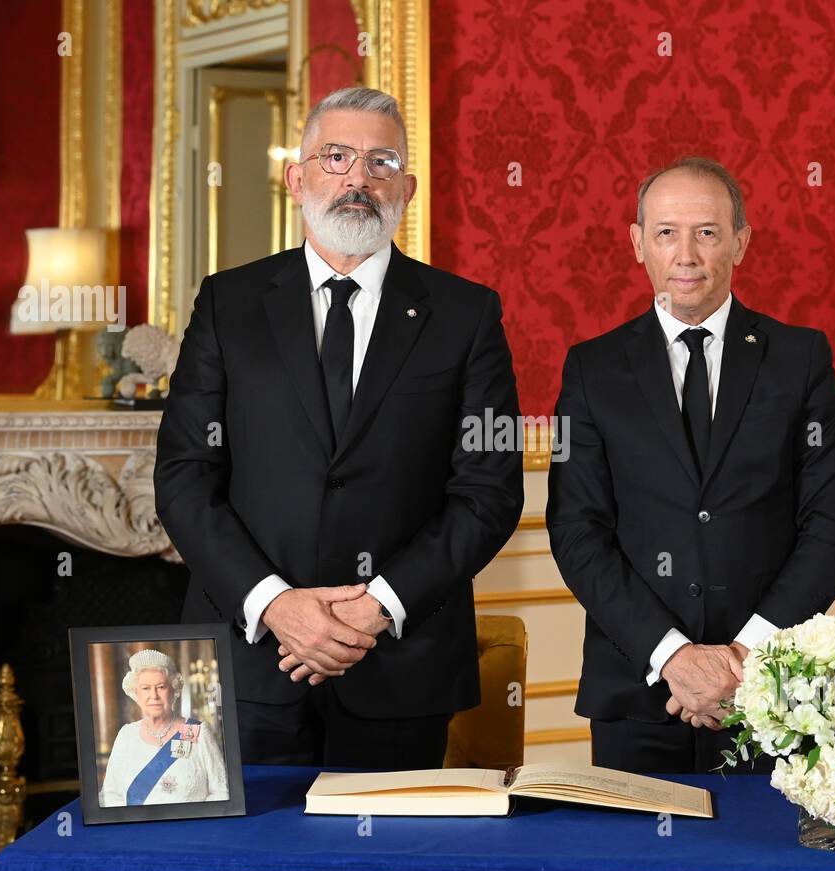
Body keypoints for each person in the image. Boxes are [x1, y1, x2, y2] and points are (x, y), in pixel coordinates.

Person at [154, 86, 523, 769]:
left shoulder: (466, 315)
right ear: (297, 178)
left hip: (400, 668)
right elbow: (184, 478)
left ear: (405, 188)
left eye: (381, 162)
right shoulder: (227, 304)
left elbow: (489, 491)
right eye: (337, 156)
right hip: (247, 661)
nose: (359, 178)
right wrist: (276, 606)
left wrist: (373, 608)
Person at [547, 156, 835, 774]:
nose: (686, 254)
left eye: (708, 232)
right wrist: (673, 657)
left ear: (741, 242)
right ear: (638, 243)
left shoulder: (799, 360)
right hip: (638, 693)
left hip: (776, 693)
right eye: (666, 232)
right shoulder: (592, 369)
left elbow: (832, 526)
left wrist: (747, 658)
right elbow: (577, 532)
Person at [100, 649, 228, 806]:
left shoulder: (199, 732)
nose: (154, 695)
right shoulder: (126, 735)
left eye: (161, 687)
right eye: (145, 688)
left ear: (174, 690)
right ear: (136, 694)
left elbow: (222, 792)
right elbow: (110, 795)